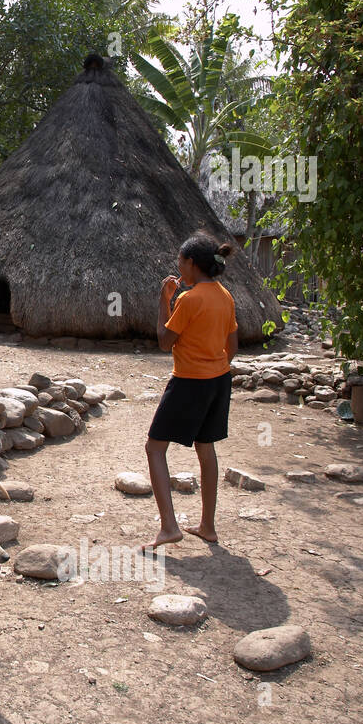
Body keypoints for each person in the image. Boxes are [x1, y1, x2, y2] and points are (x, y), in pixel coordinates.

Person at [142, 234, 239, 552]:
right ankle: (207, 527)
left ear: (192, 264)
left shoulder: (188, 299)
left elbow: (164, 341)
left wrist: (164, 301)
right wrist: (214, 363)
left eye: (180, 261)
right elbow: (232, 345)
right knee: (206, 446)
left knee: (155, 448)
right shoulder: (225, 296)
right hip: (219, 380)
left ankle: (169, 527)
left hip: (188, 382)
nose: (177, 266)